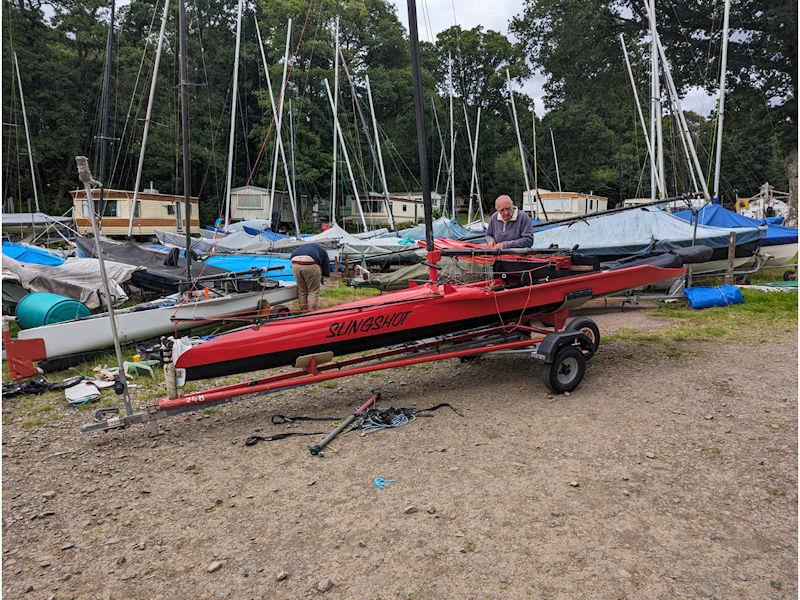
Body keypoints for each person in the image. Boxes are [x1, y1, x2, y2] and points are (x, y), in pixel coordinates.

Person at [289, 242, 331, 312]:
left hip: (295, 263)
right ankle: (312, 313)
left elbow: (291, 257)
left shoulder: (303, 246)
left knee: (302, 290)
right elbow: (326, 269)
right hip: (310, 263)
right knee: (313, 291)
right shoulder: (323, 251)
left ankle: (304, 311)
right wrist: (325, 277)